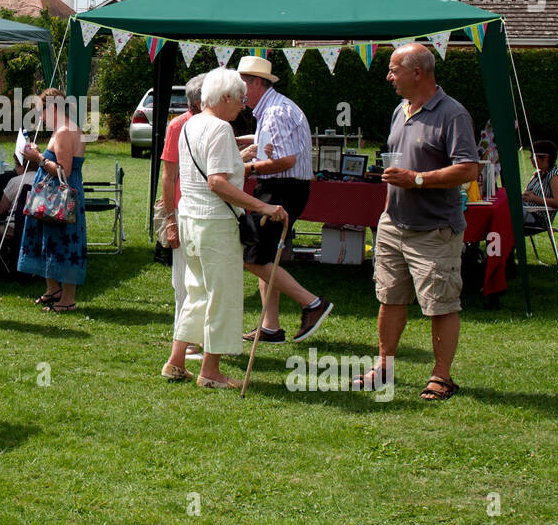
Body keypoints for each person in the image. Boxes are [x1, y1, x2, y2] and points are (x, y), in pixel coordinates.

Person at [352, 43, 479, 401]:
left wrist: (418, 179)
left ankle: (442, 377)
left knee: (440, 304)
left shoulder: (452, 114)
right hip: (393, 223)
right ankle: (384, 368)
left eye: (394, 69)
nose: (388, 76)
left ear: (417, 73)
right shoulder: (400, 110)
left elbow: (468, 168)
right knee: (389, 297)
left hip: (434, 228)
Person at [161, 68, 288, 389]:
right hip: (214, 223)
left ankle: (176, 362)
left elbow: (216, 173)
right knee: (222, 294)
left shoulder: (190, 124)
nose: (243, 106)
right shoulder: (219, 128)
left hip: (190, 217)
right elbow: (217, 182)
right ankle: (211, 372)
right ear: (226, 97)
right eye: (241, 99)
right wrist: (263, 206)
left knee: (198, 291)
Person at [235, 56, 331, 343]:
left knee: (251, 255)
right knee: (264, 254)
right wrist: (240, 141)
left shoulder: (275, 111)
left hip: (281, 188)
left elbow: (286, 160)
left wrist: (247, 168)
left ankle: (312, 303)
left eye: (241, 85)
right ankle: (270, 326)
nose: (238, 93)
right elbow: (271, 142)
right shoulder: (274, 108)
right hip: (286, 187)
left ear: (256, 84)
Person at [18, 88, 87, 312]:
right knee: (50, 239)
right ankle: (53, 290)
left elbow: (63, 171)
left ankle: (67, 299)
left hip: (61, 196)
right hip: (53, 195)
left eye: (40, 111)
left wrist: (37, 157)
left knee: (65, 242)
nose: (39, 117)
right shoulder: (62, 130)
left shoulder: (65, 132)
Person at [158, 73, 206, 355]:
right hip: (184, 211)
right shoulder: (178, 126)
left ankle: (199, 337)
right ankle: (184, 339)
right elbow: (168, 176)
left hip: (205, 213)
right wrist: (170, 220)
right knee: (184, 280)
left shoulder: (214, 125)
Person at [521, 140, 558, 231]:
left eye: (533, 156)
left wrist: (533, 198)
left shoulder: (554, 176)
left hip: (537, 218)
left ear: (545, 157)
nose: (530, 159)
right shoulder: (539, 173)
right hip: (527, 211)